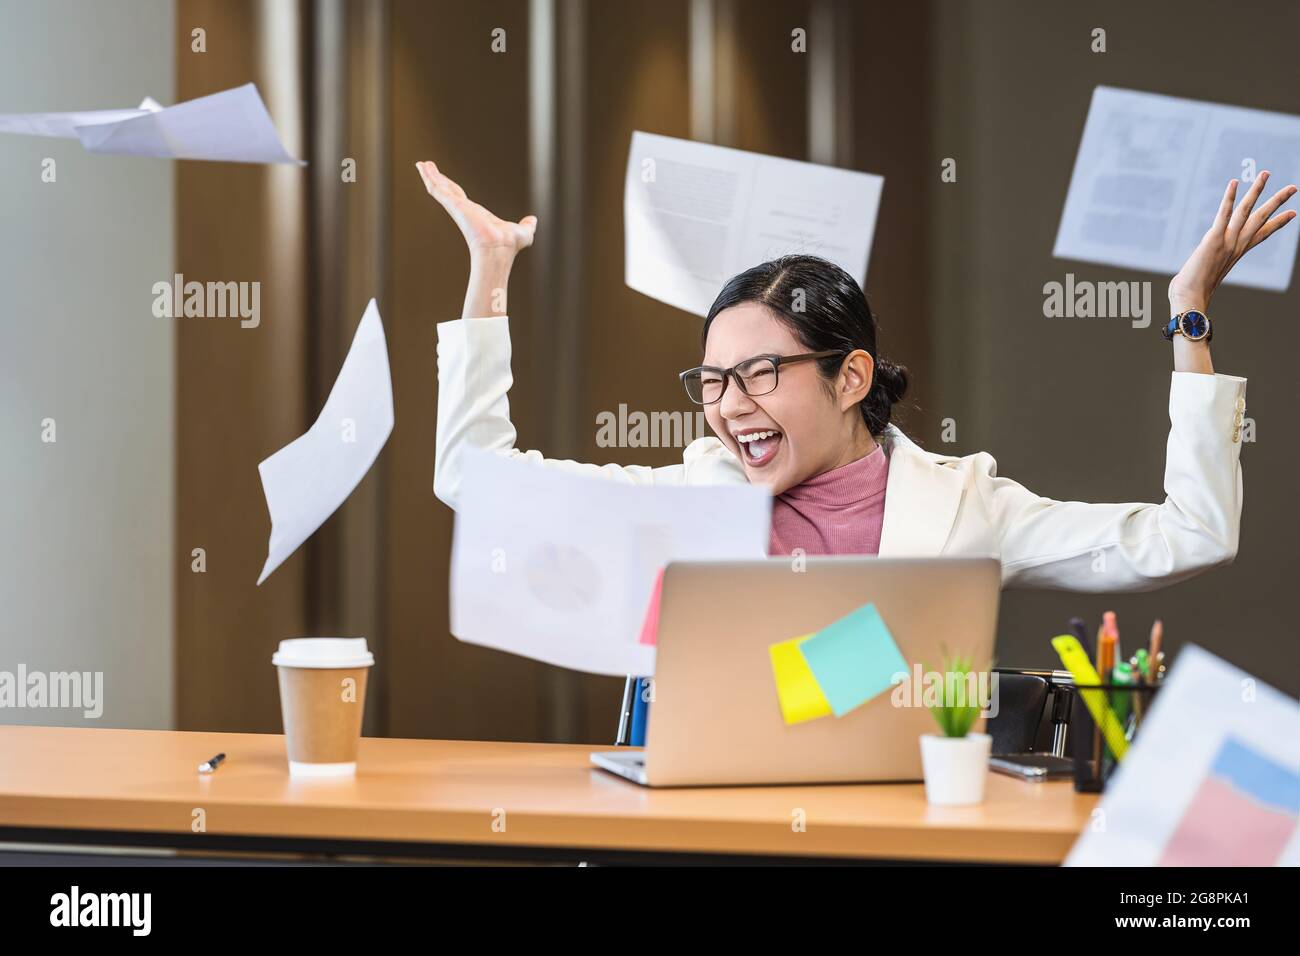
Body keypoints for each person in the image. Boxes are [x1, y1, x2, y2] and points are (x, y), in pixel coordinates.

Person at [420, 159, 1295, 592]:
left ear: (850, 378)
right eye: (712, 381)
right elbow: (473, 480)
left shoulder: (967, 506)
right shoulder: (695, 491)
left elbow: (1195, 534)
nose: (729, 408)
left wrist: (1189, 311)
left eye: (759, 373)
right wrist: (489, 270)